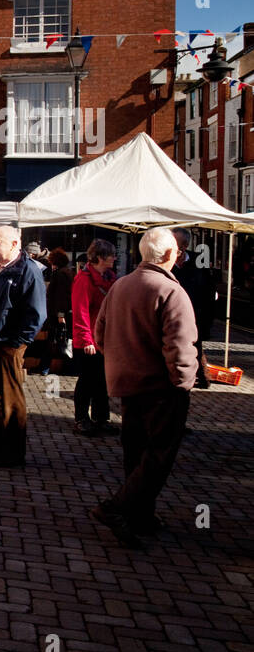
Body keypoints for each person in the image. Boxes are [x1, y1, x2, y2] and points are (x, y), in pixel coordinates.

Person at [91, 228, 198, 548]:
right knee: (158, 454)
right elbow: (179, 345)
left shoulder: (121, 285)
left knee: (135, 451)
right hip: (161, 387)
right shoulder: (170, 291)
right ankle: (118, 508)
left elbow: (100, 334)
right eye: (176, 252)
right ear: (168, 255)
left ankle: (139, 515)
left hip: (128, 384)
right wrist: (183, 382)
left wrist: (122, 360)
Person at [0, 226, 46, 468]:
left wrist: (17, 344)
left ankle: (12, 453)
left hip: (7, 346)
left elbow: (36, 313)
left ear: (15, 244)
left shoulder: (27, 270)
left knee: (10, 402)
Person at [71, 239, 118, 437]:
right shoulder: (84, 279)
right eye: (110, 256)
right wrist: (87, 340)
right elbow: (80, 311)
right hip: (88, 341)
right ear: (99, 258)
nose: (114, 259)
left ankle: (102, 418)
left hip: (104, 339)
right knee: (87, 381)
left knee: (102, 381)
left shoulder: (110, 278)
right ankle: (82, 418)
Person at [172, 229, 215, 389]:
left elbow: (208, 290)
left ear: (185, 245)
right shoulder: (167, 263)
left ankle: (201, 378)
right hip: (174, 314)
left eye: (175, 242)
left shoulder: (198, 262)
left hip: (195, 314)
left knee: (195, 346)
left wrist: (206, 320)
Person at [37, 248, 74, 375]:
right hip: (59, 313)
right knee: (58, 340)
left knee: (54, 340)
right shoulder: (65, 272)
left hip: (58, 314)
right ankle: (47, 367)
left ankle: (45, 367)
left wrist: (60, 315)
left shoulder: (61, 274)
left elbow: (61, 297)